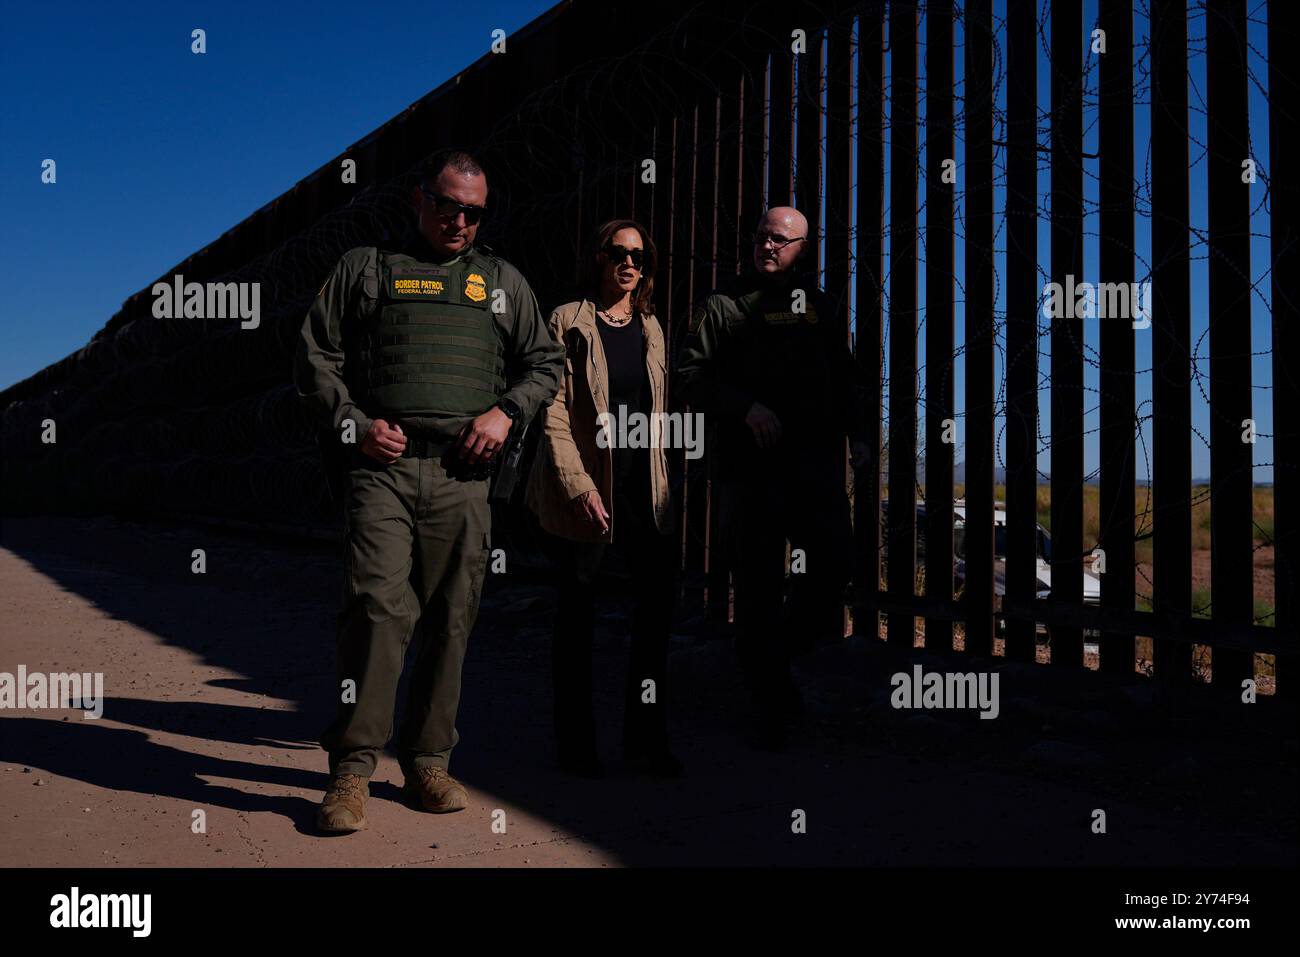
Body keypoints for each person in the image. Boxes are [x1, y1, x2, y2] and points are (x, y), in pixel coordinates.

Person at [294, 149, 564, 832]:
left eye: (474, 211)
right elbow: (314, 356)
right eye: (448, 205)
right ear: (420, 200)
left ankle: (428, 762)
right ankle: (352, 770)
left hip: (463, 476)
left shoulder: (502, 282)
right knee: (377, 609)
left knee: (452, 619)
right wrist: (353, 424)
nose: (460, 221)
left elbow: (546, 361)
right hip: (382, 467)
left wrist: (507, 411)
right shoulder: (366, 268)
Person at [676, 206, 870, 749]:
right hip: (752, 470)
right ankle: (771, 705)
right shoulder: (722, 305)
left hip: (814, 468)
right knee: (757, 588)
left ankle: (769, 660)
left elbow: (844, 375)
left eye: (781, 240)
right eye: (762, 236)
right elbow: (690, 376)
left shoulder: (821, 308)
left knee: (835, 567)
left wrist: (857, 434)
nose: (768, 246)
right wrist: (743, 407)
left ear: (803, 248)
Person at [525, 219, 682, 777]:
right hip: (588, 488)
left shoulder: (653, 328)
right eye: (618, 252)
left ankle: (646, 741)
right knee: (577, 618)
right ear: (599, 257)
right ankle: (577, 746)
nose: (629, 262)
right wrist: (578, 484)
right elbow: (553, 409)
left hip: (646, 491)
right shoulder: (567, 320)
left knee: (654, 619)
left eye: (639, 255)